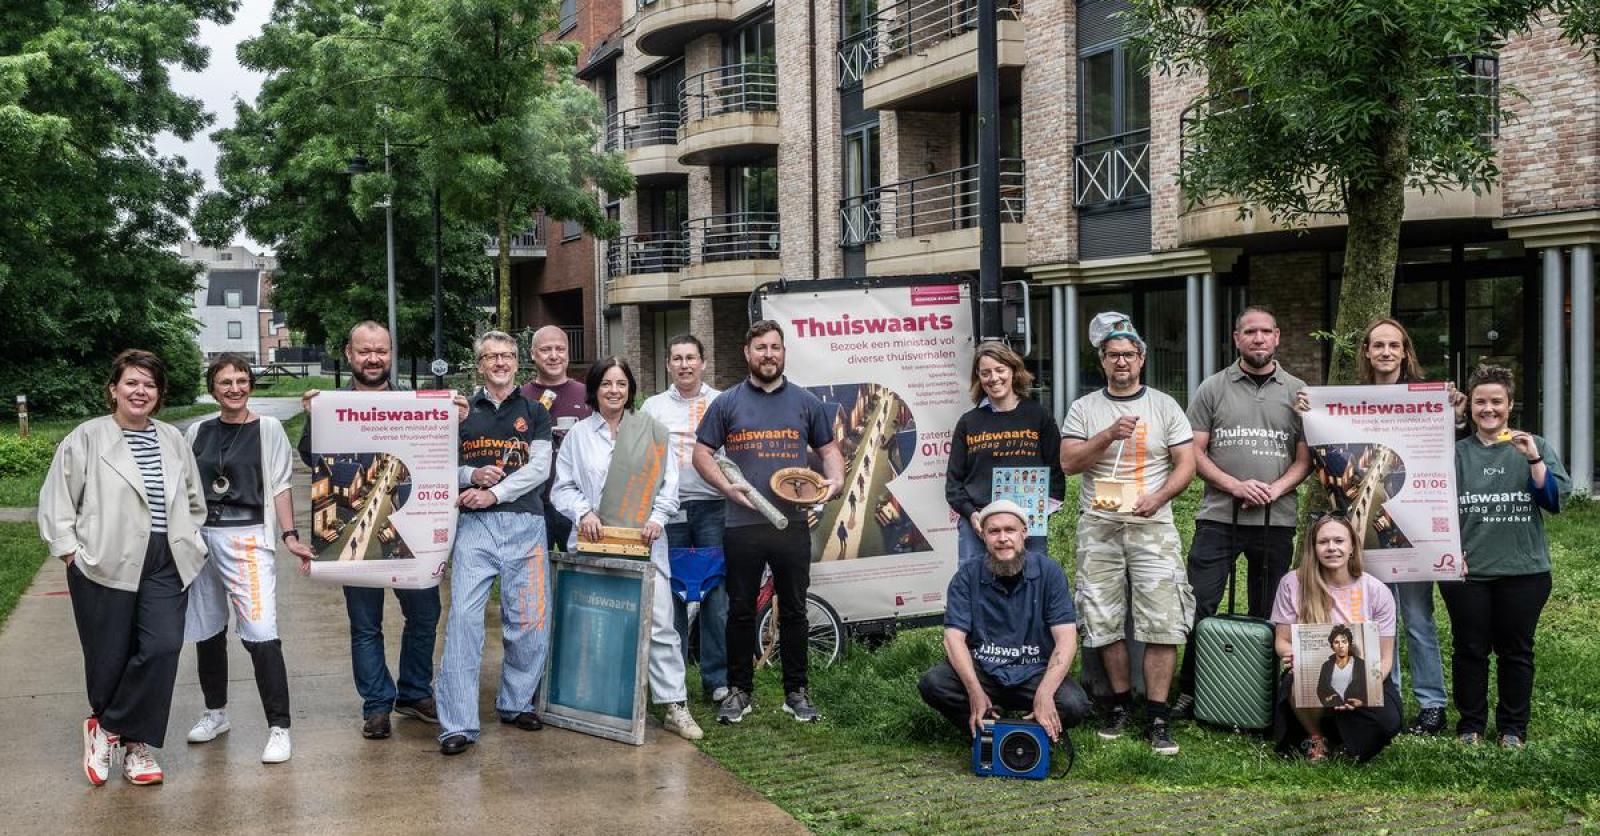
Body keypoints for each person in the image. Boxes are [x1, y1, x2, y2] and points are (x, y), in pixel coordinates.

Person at [39, 350, 209, 786]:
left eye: (149, 385)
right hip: (103, 558)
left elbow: (193, 499)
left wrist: (191, 538)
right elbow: (58, 498)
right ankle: (135, 748)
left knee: (163, 647)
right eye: (131, 382)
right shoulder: (87, 437)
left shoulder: (172, 438)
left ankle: (110, 729)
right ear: (113, 388)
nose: (140, 391)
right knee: (109, 654)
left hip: (166, 559)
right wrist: (70, 553)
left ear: (159, 394)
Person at [1294, 317, 1466, 735]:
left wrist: (1456, 415)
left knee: (1418, 618)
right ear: (1367, 354)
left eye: (1394, 345)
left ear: (1406, 352)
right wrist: (1307, 413)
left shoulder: (1430, 398)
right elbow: (1330, 450)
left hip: (1414, 529)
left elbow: (1447, 443)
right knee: (1372, 620)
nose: (1386, 352)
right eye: (1378, 345)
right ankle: (1386, 697)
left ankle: (1431, 705)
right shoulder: (1348, 400)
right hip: (1364, 531)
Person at [694, 320, 845, 725]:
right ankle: (739, 691)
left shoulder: (805, 402)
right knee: (740, 610)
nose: (768, 355)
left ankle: (796, 692)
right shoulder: (726, 403)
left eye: (775, 347)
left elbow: (829, 450)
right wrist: (728, 488)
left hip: (792, 523)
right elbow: (702, 454)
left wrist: (836, 480)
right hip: (742, 523)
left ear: (783, 352)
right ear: (747, 353)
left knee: (794, 609)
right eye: (760, 347)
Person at [1059, 312, 1195, 755]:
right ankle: (1118, 705)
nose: (1121, 362)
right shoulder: (1084, 408)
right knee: (1103, 617)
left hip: (1152, 525)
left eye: (1129, 355)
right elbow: (1069, 463)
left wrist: (1158, 498)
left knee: (1163, 620)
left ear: (1142, 359)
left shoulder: (1164, 405)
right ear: (1102, 361)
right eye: (1113, 355)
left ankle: (1157, 715)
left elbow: (1186, 465)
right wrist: (1106, 436)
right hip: (1099, 527)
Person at [299, 321, 443, 740]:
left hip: (411, 523)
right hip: (351, 516)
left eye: (381, 350)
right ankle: (377, 705)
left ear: (391, 353)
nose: (373, 358)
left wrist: (456, 421)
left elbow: (438, 455)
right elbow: (311, 456)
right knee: (365, 624)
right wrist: (316, 417)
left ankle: (415, 692)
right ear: (348, 354)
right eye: (365, 351)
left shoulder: (413, 403)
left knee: (425, 614)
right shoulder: (331, 403)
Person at [552, 357, 704, 741]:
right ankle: (597, 703)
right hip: (595, 541)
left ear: (631, 390)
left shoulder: (651, 432)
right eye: (606, 384)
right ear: (595, 389)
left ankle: (674, 705)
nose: (614, 390)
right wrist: (583, 511)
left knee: (659, 623)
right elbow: (562, 487)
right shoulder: (579, 436)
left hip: (645, 541)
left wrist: (658, 518)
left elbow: (670, 485)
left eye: (621, 384)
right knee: (595, 621)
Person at [1173, 306, 1310, 718]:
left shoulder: (1298, 391)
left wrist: (1275, 489)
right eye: (1249, 332)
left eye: (1265, 331)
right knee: (1201, 604)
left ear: (1278, 336)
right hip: (1218, 516)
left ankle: (1259, 693)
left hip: (1276, 518)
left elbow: (1305, 459)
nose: (1258, 339)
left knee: (1268, 609)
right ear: (1237, 338)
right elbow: (1193, 452)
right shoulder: (1212, 388)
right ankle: (1192, 689)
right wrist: (1235, 485)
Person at [182, 356, 313, 764]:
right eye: (225, 382)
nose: (234, 388)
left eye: (241, 380)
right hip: (203, 538)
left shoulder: (267, 429)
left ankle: (279, 727)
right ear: (213, 387)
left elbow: (280, 485)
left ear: (251, 385)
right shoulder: (198, 431)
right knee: (206, 628)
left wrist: (289, 535)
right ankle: (215, 712)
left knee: (260, 630)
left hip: (247, 536)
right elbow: (185, 488)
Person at [436, 332, 556, 756]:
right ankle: (457, 723)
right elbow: (437, 465)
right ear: (479, 365)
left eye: (507, 356)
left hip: (525, 522)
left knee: (529, 622)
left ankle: (516, 702)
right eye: (492, 357)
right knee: (465, 622)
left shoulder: (534, 411)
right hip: (475, 528)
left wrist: (495, 492)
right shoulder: (461, 411)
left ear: (517, 362)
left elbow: (540, 468)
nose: (500, 362)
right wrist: (471, 478)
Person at [1445, 365, 1570, 748]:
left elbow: (1555, 501)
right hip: (1469, 571)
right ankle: (1470, 726)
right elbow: (1435, 507)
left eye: (1496, 401)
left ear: (1510, 405)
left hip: (1524, 570)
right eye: (1480, 401)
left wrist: (1533, 459)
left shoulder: (1534, 445)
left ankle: (1512, 729)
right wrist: (1449, 551)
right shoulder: (1455, 453)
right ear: (1471, 407)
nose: (1488, 409)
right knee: (1469, 648)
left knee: (1516, 650)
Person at [917, 500, 1092, 743]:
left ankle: (1025, 736)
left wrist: (1045, 692)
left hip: (1033, 671)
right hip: (985, 672)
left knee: (1075, 705)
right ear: (983, 536)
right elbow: (953, 639)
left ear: (1024, 532)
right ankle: (988, 728)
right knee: (933, 684)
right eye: (994, 531)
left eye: (1010, 530)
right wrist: (974, 690)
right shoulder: (967, 576)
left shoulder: (1049, 572)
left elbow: (1067, 639)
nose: (1003, 538)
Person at [641, 334, 729, 703]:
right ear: (668, 365)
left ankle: (717, 680)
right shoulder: (652, 406)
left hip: (712, 506)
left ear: (703, 363)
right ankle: (671, 685)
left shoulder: (721, 402)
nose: (684, 365)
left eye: (691, 358)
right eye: (677, 358)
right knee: (670, 597)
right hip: (669, 511)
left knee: (714, 594)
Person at [1270, 514, 1401, 763]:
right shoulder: (1292, 583)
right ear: (1313, 548)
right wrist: (1290, 654)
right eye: (1324, 542)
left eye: (1339, 541)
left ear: (1352, 546)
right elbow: (1282, 640)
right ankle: (1316, 737)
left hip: (1363, 675)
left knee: (1388, 723)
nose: (1332, 548)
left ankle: (1341, 739)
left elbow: (1385, 660)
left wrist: (1363, 688)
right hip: (1310, 674)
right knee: (1300, 680)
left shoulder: (1376, 590)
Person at [945, 341, 1063, 565]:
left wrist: (1041, 512)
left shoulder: (1038, 416)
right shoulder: (968, 422)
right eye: (985, 373)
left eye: (1000, 370)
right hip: (978, 525)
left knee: (1032, 587)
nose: (994, 378)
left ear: (1013, 371)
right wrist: (972, 515)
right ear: (978, 377)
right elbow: (954, 485)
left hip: (1027, 524)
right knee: (975, 589)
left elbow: (1056, 472)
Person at [519, 325, 593, 553]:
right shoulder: (520, 397)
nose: (553, 356)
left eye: (560, 349)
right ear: (532, 354)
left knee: (581, 574)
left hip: (579, 503)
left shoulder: (588, 394)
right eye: (545, 349)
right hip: (533, 504)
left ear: (568, 353)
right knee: (534, 578)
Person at [1316, 625, 1370, 708]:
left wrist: (1362, 703)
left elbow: (1369, 689)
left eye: (1344, 642)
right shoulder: (1326, 666)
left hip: (1357, 712)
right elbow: (1320, 690)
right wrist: (1327, 701)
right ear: (1332, 646)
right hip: (1333, 713)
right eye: (1336, 642)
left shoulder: (1361, 665)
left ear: (1349, 644)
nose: (1341, 646)